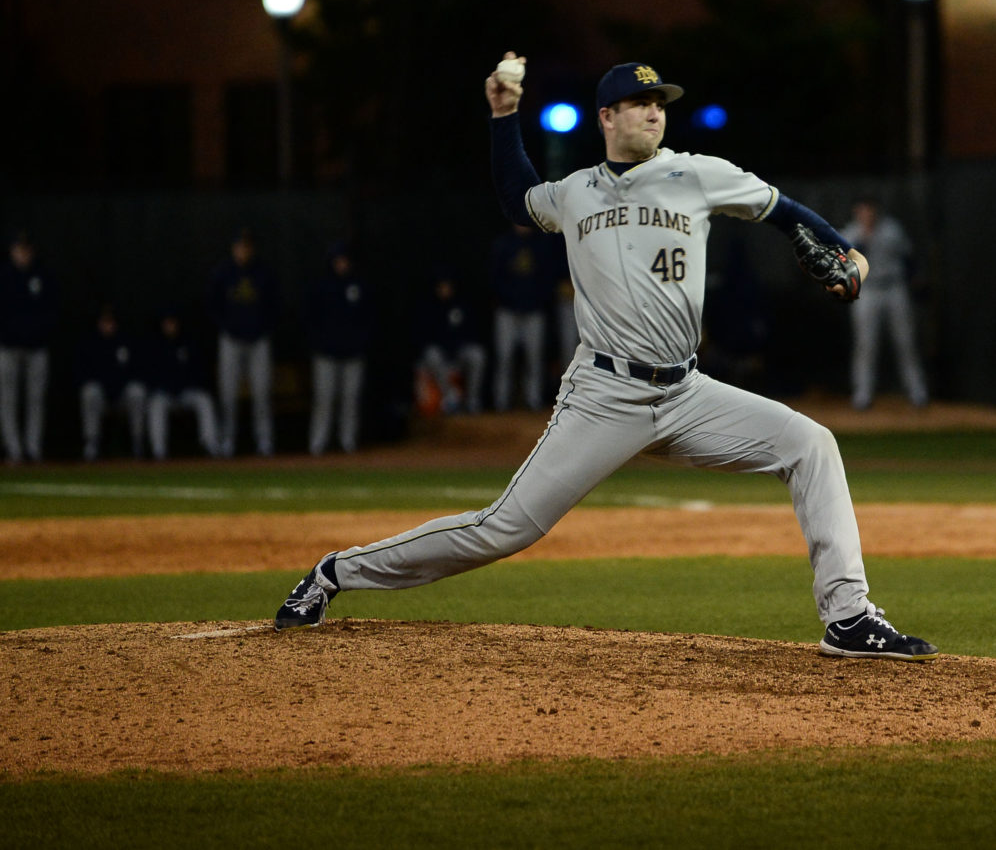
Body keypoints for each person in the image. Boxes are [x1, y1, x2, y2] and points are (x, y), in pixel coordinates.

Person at [275, 53, 938, 662]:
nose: (655, 111)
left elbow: (782, 211)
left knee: (811, 443)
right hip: (603, 397)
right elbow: (515, 198)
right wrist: (504, 117)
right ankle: (336, 572)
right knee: (502, 528)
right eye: (640, 102)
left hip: (686, 394)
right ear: (607, 117)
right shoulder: (573, 192)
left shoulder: (697, 174)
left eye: (660, 102)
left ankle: (848, 616)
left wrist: (841, 249)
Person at [841, 199, 929, 411]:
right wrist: (864, 236)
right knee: (866, 345)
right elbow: (848, 260)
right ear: (857, 212)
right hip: (867, 290)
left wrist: (916, 280)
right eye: (863, 210)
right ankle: (863, 395)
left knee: (905, 342)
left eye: (870, 210)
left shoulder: (892, 229)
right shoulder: (850, 233)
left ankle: (918, 393)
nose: (868, 214)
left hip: (894, 288)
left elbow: (908, 258)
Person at [207, 227, 279, 456]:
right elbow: (212, 305)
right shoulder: (223, 272)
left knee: (262, 394)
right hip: (231, 340)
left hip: (258, 341)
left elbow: (275, 305)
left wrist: (263, 328)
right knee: (228, 395)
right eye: (239, 247)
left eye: (246, 247)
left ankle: (264, 441)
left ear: (252, 249)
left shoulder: (263, 272)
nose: (243, 251)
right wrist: (227, 327)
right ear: (233, 248)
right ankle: (227, 441)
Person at [306, 240, 373, 455]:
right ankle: (318, 443)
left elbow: (368, 319)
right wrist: (319, 343)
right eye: (338, 260)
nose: (341, 264)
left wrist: (361, 342)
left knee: (350, 400)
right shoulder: (321, 286)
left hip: (353, 353)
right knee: (324, 399)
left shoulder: (359, 286)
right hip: (326, 353)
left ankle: (348, 442)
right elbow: (310, 319)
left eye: (344, 260)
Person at [489, 223, 561, 411]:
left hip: (534, 312)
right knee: (504, 359)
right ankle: (501, 402)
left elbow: (548, 278)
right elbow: (494, 278)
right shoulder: (503, 244)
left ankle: (533, 400)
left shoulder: (542, 245)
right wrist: (510, 300)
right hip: (507, 311)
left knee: (534, 359)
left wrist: (535, 301)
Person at [0, 231, 57, 465]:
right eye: (18, 249)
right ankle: (14, 450)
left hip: (37, 348)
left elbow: (52, 311)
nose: (23, 254)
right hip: (8, 347)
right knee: (7, 400)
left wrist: (38, 333)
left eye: (26, 249)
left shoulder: (42, 276)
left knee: (35, 400)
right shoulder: (3, 276)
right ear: (12, 250)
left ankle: (33, 450)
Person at [143, 307, 220, 460]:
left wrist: (185, 385)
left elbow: (199, 372)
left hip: (186, 392)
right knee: (156, 404)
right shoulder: (155, 345)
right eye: (166, 323)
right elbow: (151, 375)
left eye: (172, 322)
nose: (169, 326)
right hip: (164, 393)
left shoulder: (189, 342)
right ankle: (159, 450)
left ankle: (211, 445)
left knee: (204, 400)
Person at [77, 303, 147, 461]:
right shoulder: (91, 343)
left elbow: (135, 372)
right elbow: (85, 375)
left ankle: (138, 441)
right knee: (89, 392)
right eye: (105, 321)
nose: (108, 325)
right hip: (101, 398)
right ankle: (92, 442)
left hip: (122, 397)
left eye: (111, 322)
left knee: (137, 391)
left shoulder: (125, 342)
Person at [414, 268, 487, 415]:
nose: (445, 290)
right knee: (432, 354)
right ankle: (450, 396)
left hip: (458, 353)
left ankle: (472, 401)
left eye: (447, 286)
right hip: (439, 358)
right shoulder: (428, 307)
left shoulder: (461, 305)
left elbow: (470, 332)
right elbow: (424, 337)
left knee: (477, 355)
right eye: (441, 287)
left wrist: (456, 348)